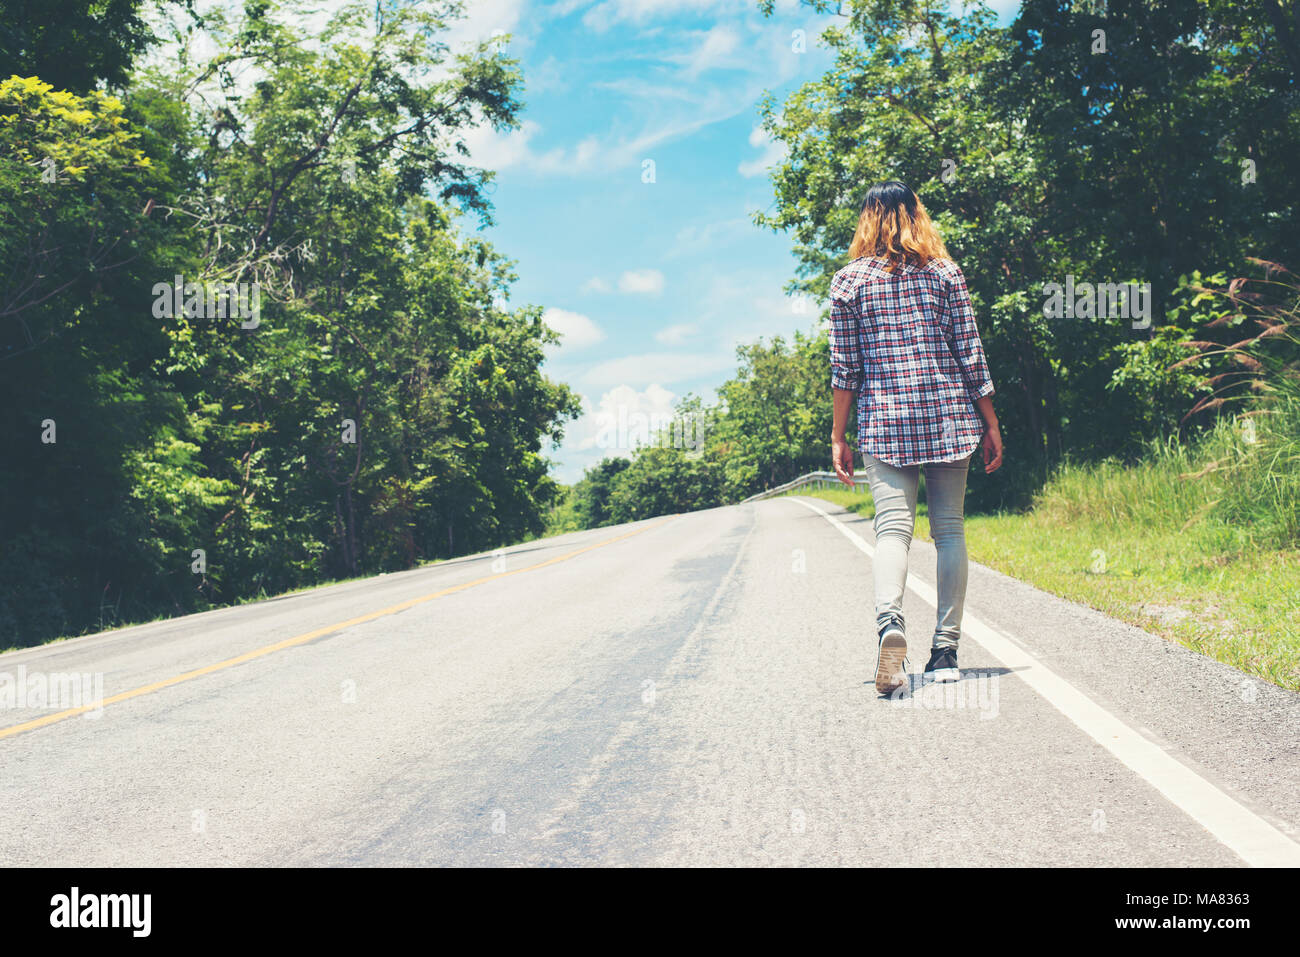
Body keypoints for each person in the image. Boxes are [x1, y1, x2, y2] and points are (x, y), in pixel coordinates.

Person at [827, 181, 1003, 695]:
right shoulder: (945, 273)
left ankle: (890, 626)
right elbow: (970, 352)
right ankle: (945, 652)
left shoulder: (848, 282)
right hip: (948, 414)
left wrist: (838, 434)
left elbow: (845, 369)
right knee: (948, 529)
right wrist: (990, 421)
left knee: (892, 530)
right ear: (916, 216)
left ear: (867, 220)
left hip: (885, 420)